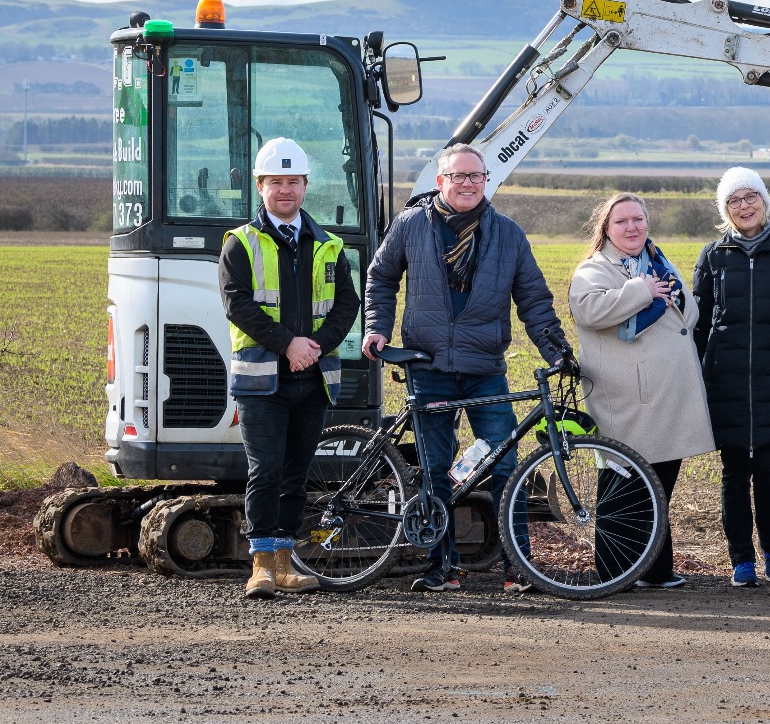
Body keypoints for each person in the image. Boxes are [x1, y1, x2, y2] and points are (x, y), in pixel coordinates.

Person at [362, 143, 573, 594]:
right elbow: (380, 276)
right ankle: (444, 568)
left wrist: (556, 352)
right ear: (440, 182)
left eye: (475, 176)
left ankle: (519, 568)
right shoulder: (411, 225)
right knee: (436, 468)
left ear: (486, 181)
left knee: (505, 466)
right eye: (457, 176)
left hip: (484, 368)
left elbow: (534, 300)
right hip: (428, 364)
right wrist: (377, 327)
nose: (467, 183)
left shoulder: (508, 234)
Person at [219, 137, 360, 599]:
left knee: (297, 472)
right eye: (275, 182)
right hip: (262, 382)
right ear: (260, 187)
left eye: (293, 182)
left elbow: (346, 305)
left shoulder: (329, 246)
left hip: (313, 379)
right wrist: (288, 345)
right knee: (266, 470)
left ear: (305, 187)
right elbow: (237, 305)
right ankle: (260, 565)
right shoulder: (241, 244)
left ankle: (285, 562)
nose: (285, 190)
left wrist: (314, 347)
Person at [570, 192, 717, 590]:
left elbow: (687, 313)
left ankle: (654, 569)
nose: (632, 227)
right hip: (627, 397)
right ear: (606, 229)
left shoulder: (657, 261)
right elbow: (588, 310)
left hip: (667, 393)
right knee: (624, 484)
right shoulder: (594, 269)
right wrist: (642, 291)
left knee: (659, 484)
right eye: (622, 221)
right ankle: (615, 571)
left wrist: (657, 290)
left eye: (638, 219)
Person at [691, 167, 770, 589]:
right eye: (734, 201)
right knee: (734, 469)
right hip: (726, 378)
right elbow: (698, 324)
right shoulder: (713, 256)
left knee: (768, 467)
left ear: (764, 201)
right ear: (725, 210)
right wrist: (699, 376)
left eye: (750, 198)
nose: (744, 206)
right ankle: (741, 559)